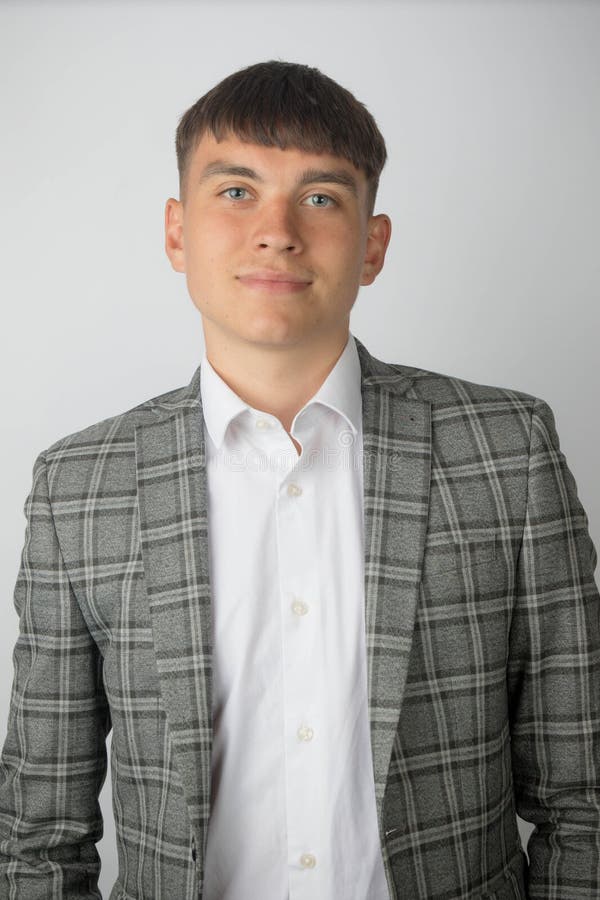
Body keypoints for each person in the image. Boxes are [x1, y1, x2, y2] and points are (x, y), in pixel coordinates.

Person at [0, 59, 598, 900]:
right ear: (177, 232)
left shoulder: (508, 452)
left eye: (320, 197)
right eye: (236, 191)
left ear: (373, 245)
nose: (276, 229)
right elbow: (38, 839)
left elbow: (585, 800)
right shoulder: (79, 486)